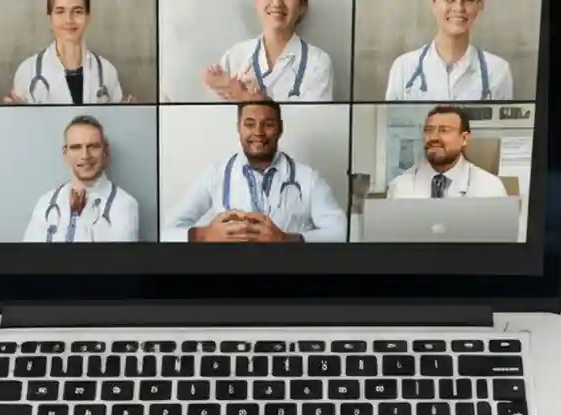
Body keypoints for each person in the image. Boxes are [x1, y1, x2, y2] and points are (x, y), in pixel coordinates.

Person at [164, 100, 347, 243]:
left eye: (268, 124)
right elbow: (166, 231)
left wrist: (286, 239)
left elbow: (342, 233)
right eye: (249, 124)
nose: (258, 132)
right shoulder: (215, 174)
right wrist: (204, 235)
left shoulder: (308, 179)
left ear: (280, 128)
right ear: (238, 127)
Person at [23, 115, 140, 243]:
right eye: (76, 147)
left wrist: (81, 217)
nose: (85, 155)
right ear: (65, 153)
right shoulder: (46, 202)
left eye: (93, 146)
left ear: (105, 151)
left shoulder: (124, 205)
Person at [204, 0, 333, 103]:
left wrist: (248, 97)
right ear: (256, 2)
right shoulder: (234, 57)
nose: (277, 3)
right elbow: (220, 119)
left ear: (302, 6)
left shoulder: (318, 63)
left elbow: (314, 120)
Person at [5, 0, 132, 105]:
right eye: (60, 12)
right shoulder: (28, 71)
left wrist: (129, 113)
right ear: (50, 18)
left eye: (77, 11)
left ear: (88, 17)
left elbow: (117, 120)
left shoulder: (106, 71)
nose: (69, 20)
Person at [384, 0, 513, 102]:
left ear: (480, 5)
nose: (459, 8)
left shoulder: (497, 71)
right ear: (434, 4)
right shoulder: (403, 68)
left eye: (468, 0)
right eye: (449, 0)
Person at [387, 106, 507, 199]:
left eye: (444, 130)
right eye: (428, 130)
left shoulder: (490, 188)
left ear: (464, 138)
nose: (434, 137)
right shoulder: (400, 188)